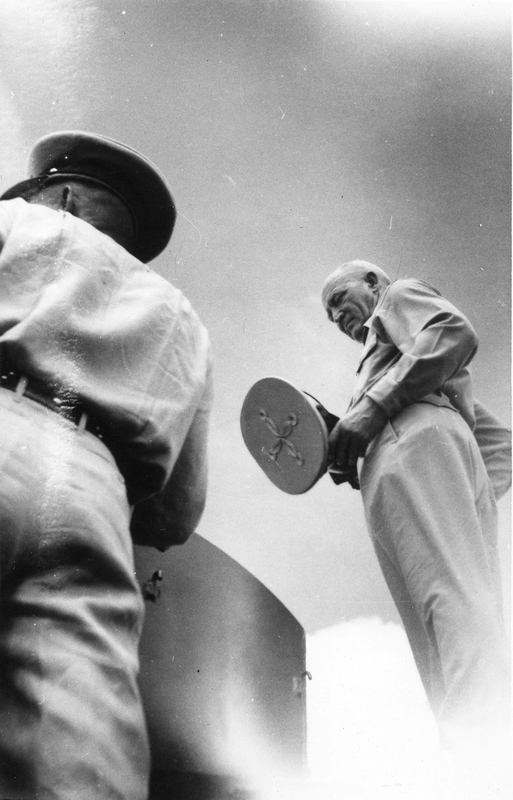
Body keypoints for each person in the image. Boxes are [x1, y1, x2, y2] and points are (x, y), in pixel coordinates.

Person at [0, 131, 212, 800]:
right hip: (95, 495)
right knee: (79, 730)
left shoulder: (15, 222)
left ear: (59, 192)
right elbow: (176, 515)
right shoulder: (184, 319)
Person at [321, 259, 511, 797]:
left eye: (340, 299)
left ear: (374, 284)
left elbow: (453, 332)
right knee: (445, 620)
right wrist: (466, 495)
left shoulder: (397, 298)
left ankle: (481, 766)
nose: (336, 315)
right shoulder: (403, 366)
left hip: (413, 448)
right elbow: (498, 444)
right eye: (329, 313)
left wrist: (375, 411)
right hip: (412, 461)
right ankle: (474, 756)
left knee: (450, 607)